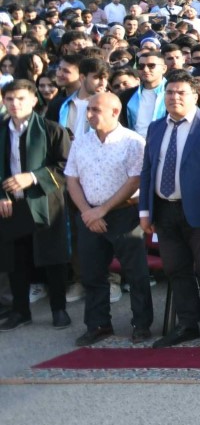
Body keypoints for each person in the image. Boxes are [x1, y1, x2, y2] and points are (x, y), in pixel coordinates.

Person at [140, 71, 200, 348]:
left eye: (181, 92)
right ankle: (187, 324)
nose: (174, 97)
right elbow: (148, 170)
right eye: (170, 92)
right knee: (175, 268)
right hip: (164, 210)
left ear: (195, 96)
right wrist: (145, 211)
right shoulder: (156, 127)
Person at [66, 90, 150, 345]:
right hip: (89, 215)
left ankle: (141, 324)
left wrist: (102, 210)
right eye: (89, 110)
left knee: (135, 273)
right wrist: (87, 212)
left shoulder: (132, 141)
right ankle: (98, 324)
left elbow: (135, 179)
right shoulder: (81, 142)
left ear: (115, 112)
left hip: (125, 213)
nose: (89, 115)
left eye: (96, 110)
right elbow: (72, 179)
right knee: (92, 273)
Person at [0, 80, 70, 331]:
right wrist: (2, 195)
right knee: (16, 259)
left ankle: (59, 309)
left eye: (20, 98)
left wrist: (32, 177)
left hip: (45, 199)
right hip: (12, 203)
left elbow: (65, 165)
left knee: (51, 256)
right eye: (9, 99)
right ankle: (20, 311)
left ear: (33, 100)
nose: (15, 104)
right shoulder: (1, 129)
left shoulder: (52, 129)